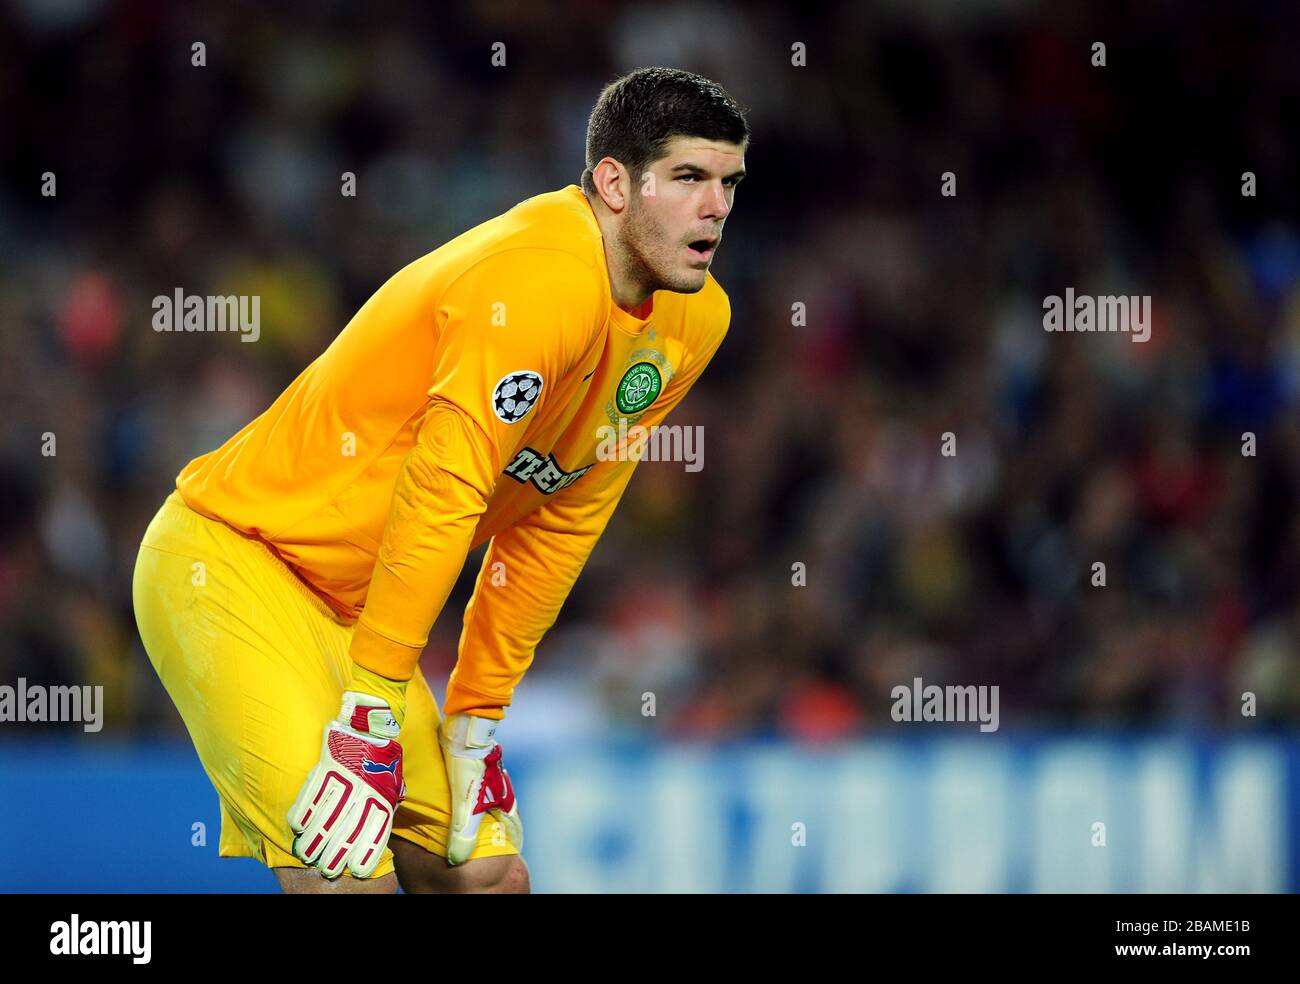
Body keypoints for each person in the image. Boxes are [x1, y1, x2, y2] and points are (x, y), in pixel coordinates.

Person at [131, 66, 749, 893]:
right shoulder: (538, 279)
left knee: (490, 876)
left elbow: (563, 515)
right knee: (348, 869)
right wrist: (374, 710)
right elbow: (444, 491)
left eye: (728, 182)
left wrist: (476, 719)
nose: (716, 207)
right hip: (232, 563)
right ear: (612, 183)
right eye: (688, 179)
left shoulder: (695, 317)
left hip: (357, 609)